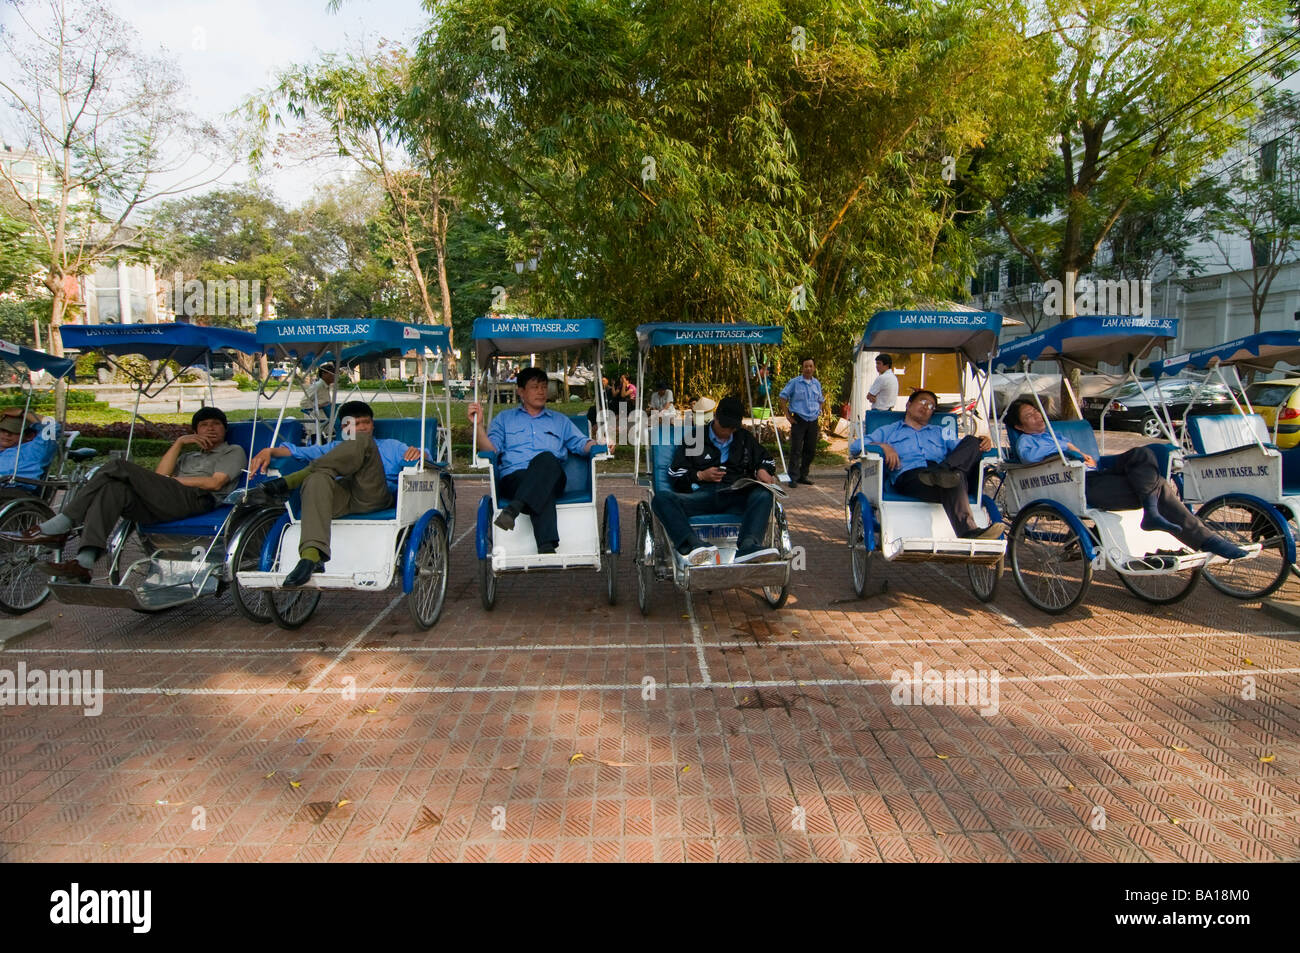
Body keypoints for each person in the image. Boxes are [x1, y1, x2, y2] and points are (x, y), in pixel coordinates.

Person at [1, 407, 246, 583]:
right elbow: (161, 474)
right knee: (112, 488)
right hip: (168, 499)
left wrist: (172, 480)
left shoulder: (233, 450)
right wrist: (180, 443)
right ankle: (85, 561)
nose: (210, 428)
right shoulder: (188, 456)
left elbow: (215, 483)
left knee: (118, 466)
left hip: (197, 499)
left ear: (225, 429)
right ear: (195, 431)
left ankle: (62, 523)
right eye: (204, 425)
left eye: (216, 424)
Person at [1004, 398, 1248, 559]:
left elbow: (1079, 453)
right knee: (1159, 486)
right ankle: (1202, 537)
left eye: (1037, 411)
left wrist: (1081, 454)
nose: (1037, 416)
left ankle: (1155, 513)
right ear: (1020, 426)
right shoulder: (1026, 441)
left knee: (1144, 453)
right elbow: (1029, 458)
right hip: (1074, 484)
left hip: (1096, 473)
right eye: (1029, 415)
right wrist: (1068, 454)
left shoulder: (1053, 433)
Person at [241, 400, 434, 586]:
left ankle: (290, 482)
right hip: (340, 498)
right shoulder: (332, 448)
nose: (362, 427)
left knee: (361, 443)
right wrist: (268, 450)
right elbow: (296, 452)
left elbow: (425, 454)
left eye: (366, 422)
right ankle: (310, 557)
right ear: (344, 428)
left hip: (372, 495)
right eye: (355, 424)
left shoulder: (390, 446)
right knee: (317, 478)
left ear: (373, 425)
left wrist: (420, 453)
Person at [470, 366, 597, 554]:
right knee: (541, 487)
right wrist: (478, 426)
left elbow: (581, 443)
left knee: (546, 459)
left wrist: (597, 444)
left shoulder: (559, 421)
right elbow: (491, 450)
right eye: (535, 387)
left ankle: (514, 508)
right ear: (521, 391)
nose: (541, 391)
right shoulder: (504, 419)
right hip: (515, 478)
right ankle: (546, 548)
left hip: (553, 477)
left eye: (544, 387)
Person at [653, 396, 780, 565]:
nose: (727, 432)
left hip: (736, 495)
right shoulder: (696, 438)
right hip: (703, 496)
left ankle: (748, 546)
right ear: (715, 417)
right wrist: (700, 475)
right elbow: (675, 473)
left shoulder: (744, 438)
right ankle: (693, 545)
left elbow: (766, 459)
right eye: (724, 427)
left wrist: (763, 470)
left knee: (764, 493)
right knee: (661, 499)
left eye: (732, 428)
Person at [863, 389, 1002, 540]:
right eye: (922, 402)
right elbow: (858, 445)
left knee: (972, 443)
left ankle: (968, 530)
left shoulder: (939, 432)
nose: (926, 407)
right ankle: (945, 475)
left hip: (940, 475)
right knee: (954, 477)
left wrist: (982, 442)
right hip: (912, 477)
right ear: (908, 405)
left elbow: (963, 447)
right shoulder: (890, 431)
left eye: (931, 406)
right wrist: (884, 446)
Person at [779, 357, 826, 486]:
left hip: (813, 420)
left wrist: (819, 411)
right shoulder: (795, 382)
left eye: (811, 366)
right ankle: (792, 478)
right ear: (802, 368)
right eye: (806, 366)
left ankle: (803, 475)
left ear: (814, 368)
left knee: (810, 450)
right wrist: (788, 416)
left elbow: (820, 399)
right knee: (796, 449)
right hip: (799, 420)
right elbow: (783, 397)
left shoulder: (816, 383)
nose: (808, 369)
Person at [0, 408, 59, 502]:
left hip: (12, 492)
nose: (6, 434)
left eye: (14, 432)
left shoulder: (34, 449)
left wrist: (23, 413)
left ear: (29, 435)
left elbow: (52, 425)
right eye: (3, 430)